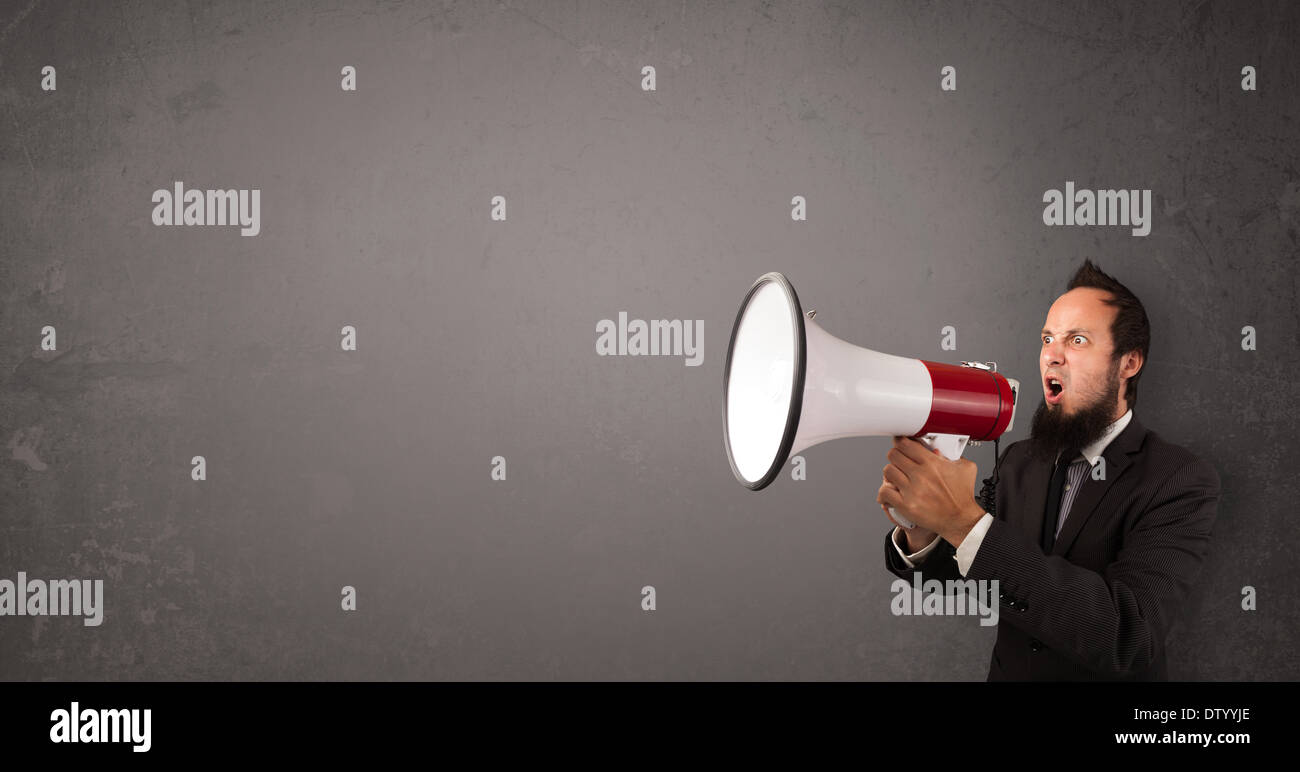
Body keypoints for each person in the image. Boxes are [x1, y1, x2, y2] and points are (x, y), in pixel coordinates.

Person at [878, 259, 1220, 680]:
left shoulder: (1178, 480)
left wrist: (963, 522)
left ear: (1128, 363)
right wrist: (921, 524)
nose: (1051, 356)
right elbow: (963, 576)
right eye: (1047, 338)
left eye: (1077, 340)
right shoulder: (1021, 459)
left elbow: (1129, 638)